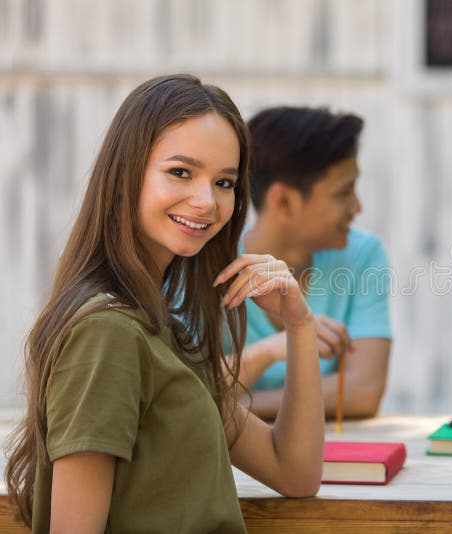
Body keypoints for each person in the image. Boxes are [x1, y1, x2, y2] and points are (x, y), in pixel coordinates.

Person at [4, 75, 324, 532]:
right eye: (181, 172)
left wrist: (300, 326)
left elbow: (293, 472)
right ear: (128, 172)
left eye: (224, 182)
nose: (206, 201)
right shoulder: (107, 334)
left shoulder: (161, 330)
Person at [233, 106, 392, 420]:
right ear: (284, 201)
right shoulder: (208, 264)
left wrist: (233, 405)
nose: (357, 207)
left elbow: (363, 392)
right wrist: (268, 352)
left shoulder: (362, 254)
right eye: (343, 192)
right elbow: (185, 392)